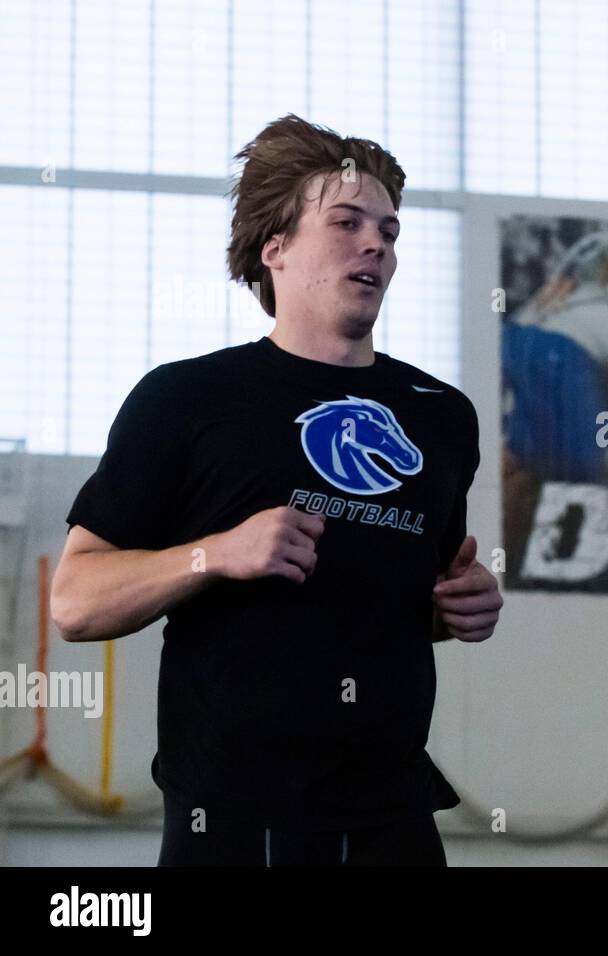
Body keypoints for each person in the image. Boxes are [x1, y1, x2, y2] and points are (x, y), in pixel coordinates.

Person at [50, 114, 502, 866]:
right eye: (347, 223)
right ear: (276, 250)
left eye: (389, 231)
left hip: (392, 817)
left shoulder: (442, 416)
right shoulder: (186, 400)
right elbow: (73, 600)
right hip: (231, 822)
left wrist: (459, 607)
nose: (376, 245)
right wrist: (215, 555)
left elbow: (401, 604)